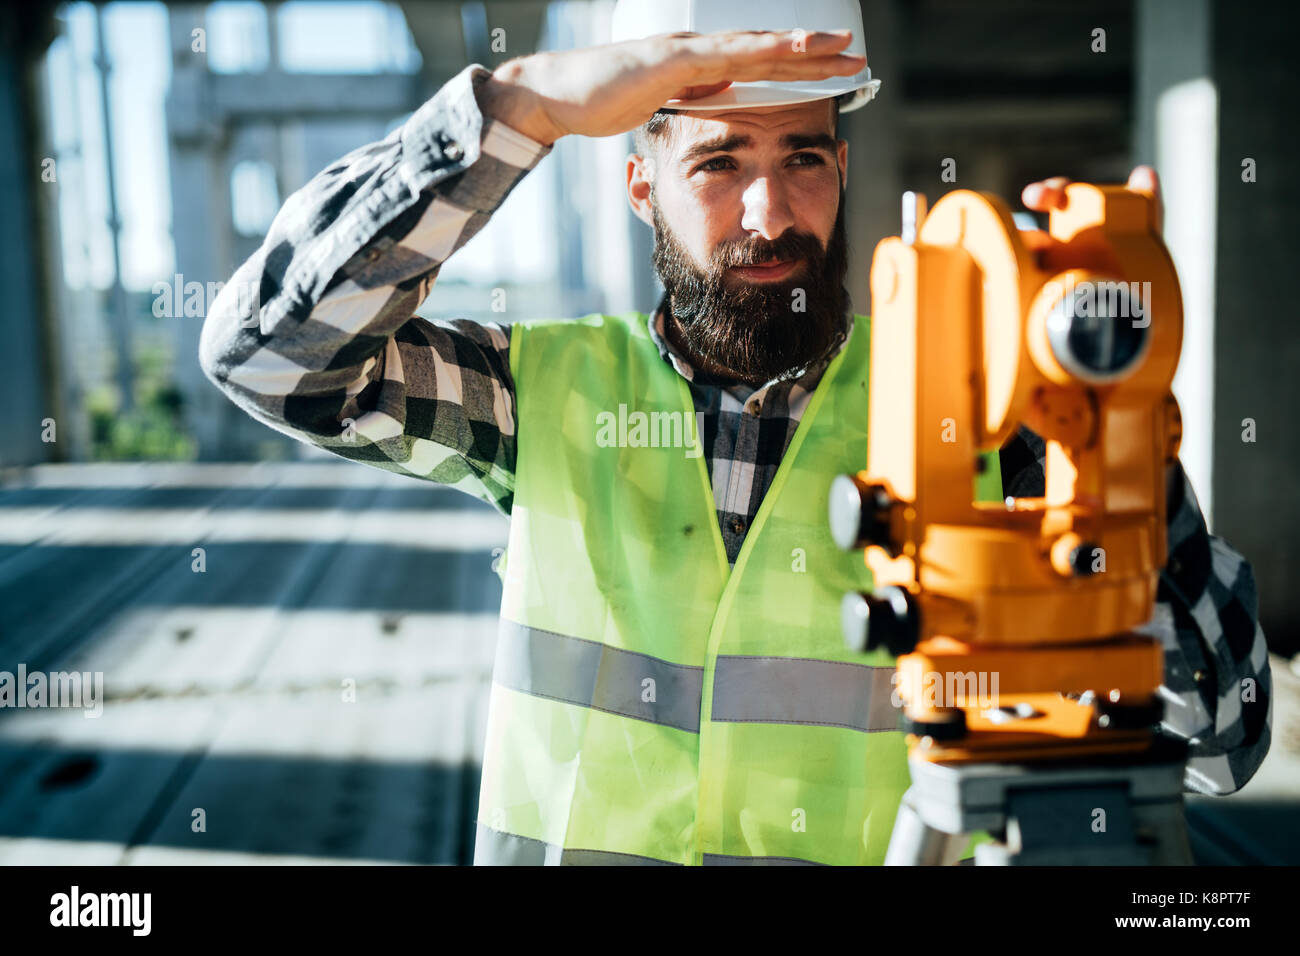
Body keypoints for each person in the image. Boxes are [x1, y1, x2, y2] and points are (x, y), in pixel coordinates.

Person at [198, 22, 1271, 865]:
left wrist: (1106, 430)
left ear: (842, 169)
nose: (770, 211)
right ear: (640, 187)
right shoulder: (540, 394)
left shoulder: (981, 411)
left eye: (803, 155)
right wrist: (516, 108)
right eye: (717, 162)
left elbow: (1226, 737)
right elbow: (264, 353)